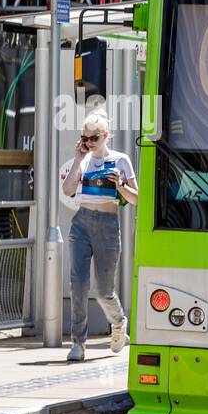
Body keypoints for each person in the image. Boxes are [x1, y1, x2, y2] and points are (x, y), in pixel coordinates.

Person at [60, 109, 138, 361]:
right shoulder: (83, 159)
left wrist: (120, 185)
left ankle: (118, 323)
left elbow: (137, 199)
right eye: (84, 138)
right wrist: (77, 157)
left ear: (105, 136)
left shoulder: (120, 160)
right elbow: (68, 189)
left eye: (93, 138)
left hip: (107, 223)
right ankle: (78, 343)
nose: (88, 143)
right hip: (81, 222)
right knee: (78, 285)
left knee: (103, 290)